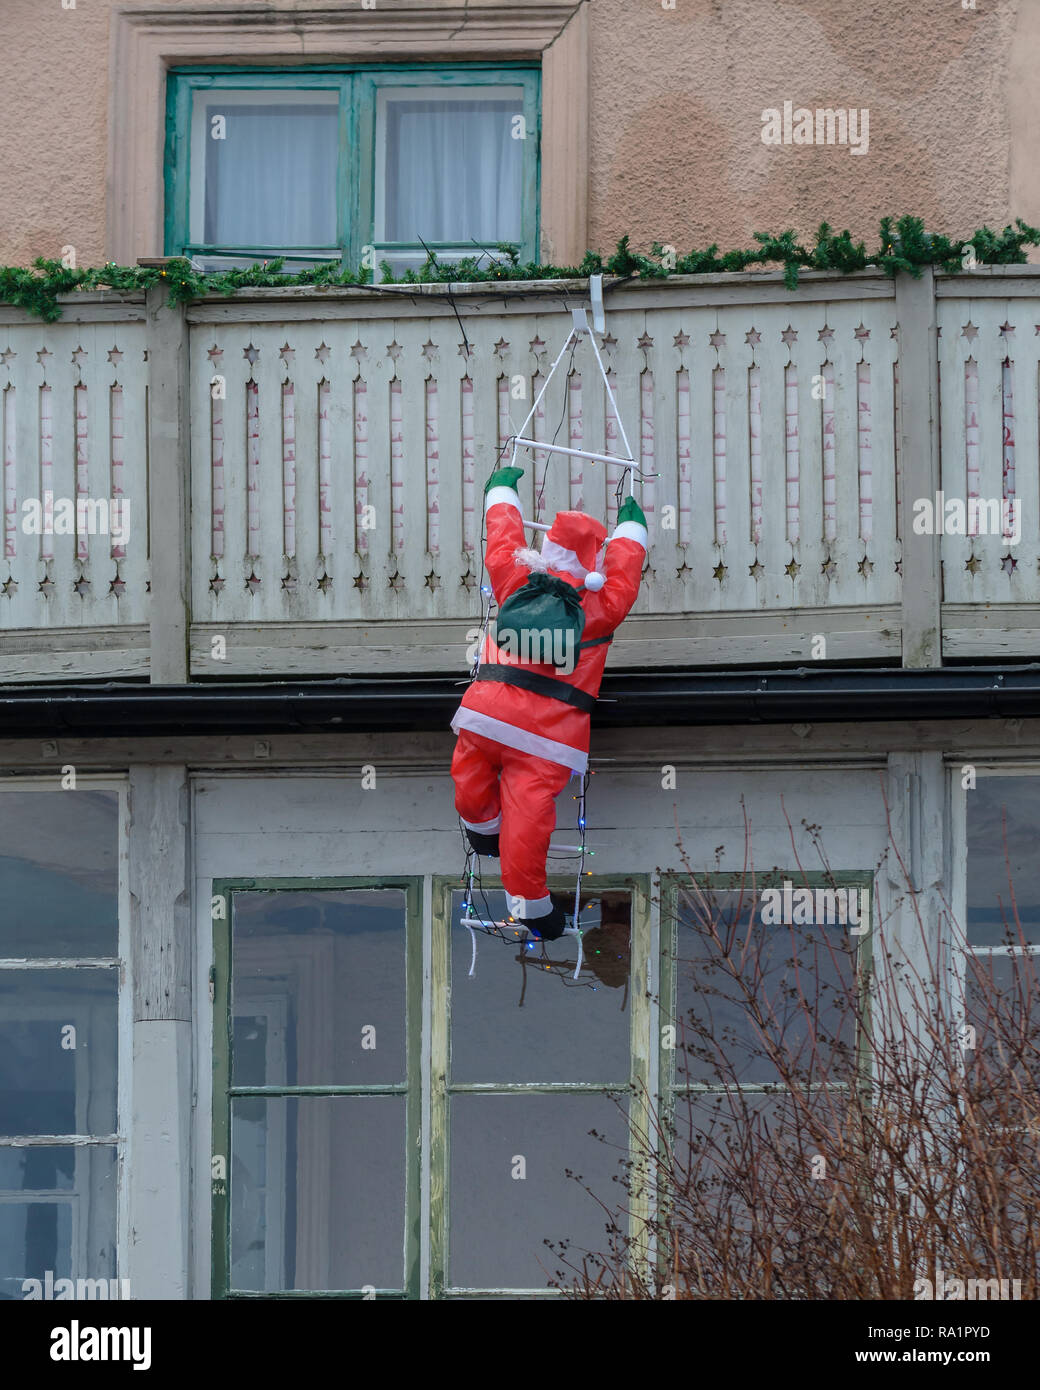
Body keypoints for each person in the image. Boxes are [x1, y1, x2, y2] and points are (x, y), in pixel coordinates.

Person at [451, 464, 647, 939]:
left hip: (488, 712)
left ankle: (480, 826)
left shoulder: (518, 581)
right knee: (529, 824)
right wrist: (631, 526)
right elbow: (625, 572)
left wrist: (501, 489)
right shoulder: (599, 607)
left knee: (471, 772)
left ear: (549, 549)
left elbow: (501, 538)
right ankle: (531, 906)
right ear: (591, 565)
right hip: (548, 738)